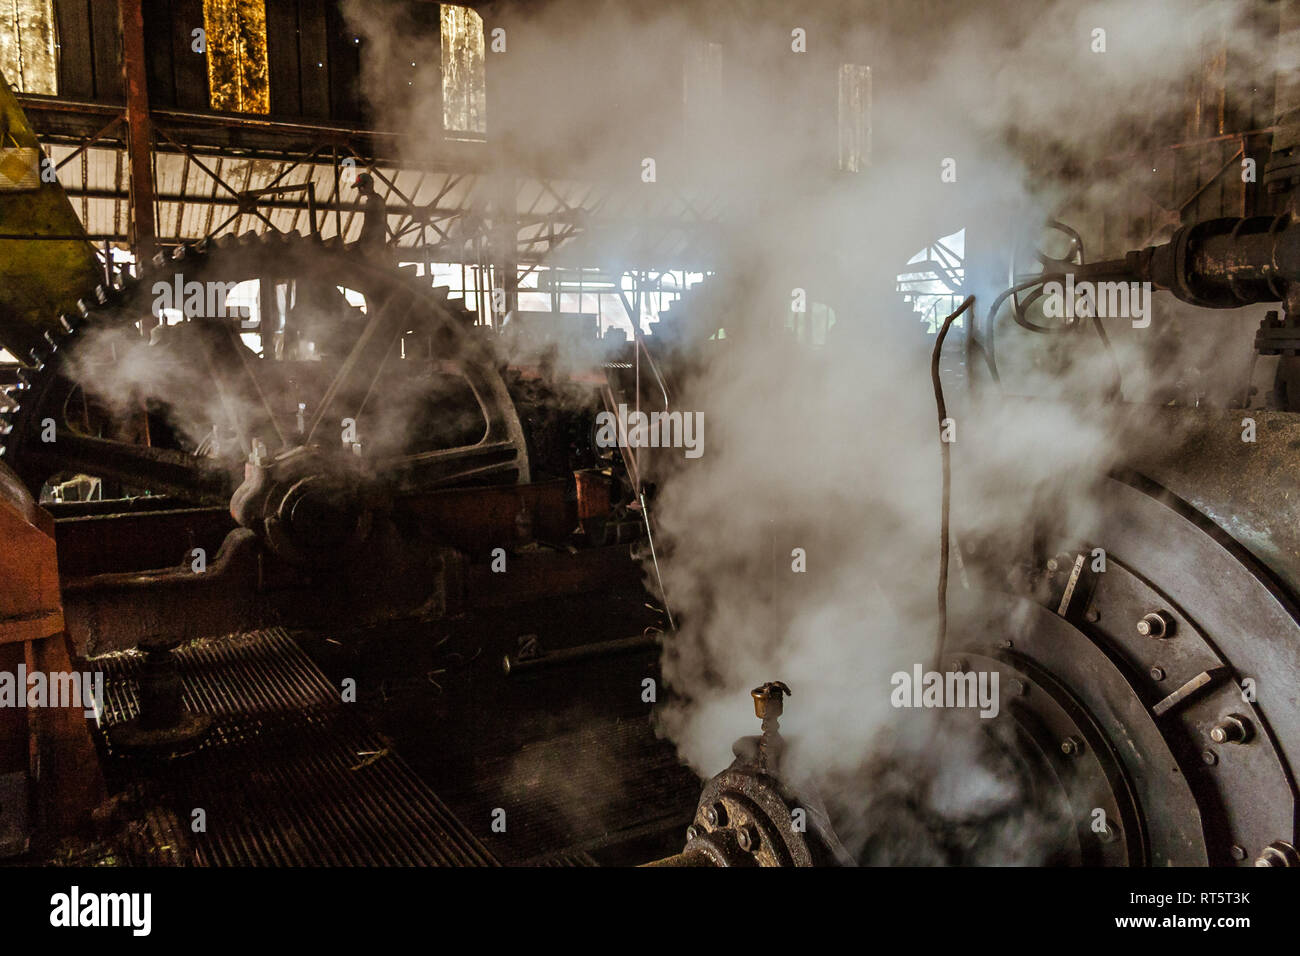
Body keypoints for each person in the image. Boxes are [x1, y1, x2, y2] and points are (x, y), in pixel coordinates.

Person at [352, 172, 388, 253]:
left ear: (369, 185)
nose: (359, 189)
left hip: (372, 246)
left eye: (361, 186)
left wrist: (362, 242)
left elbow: (372, 224)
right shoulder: (375, 200)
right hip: (372, 244)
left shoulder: (375, 201)